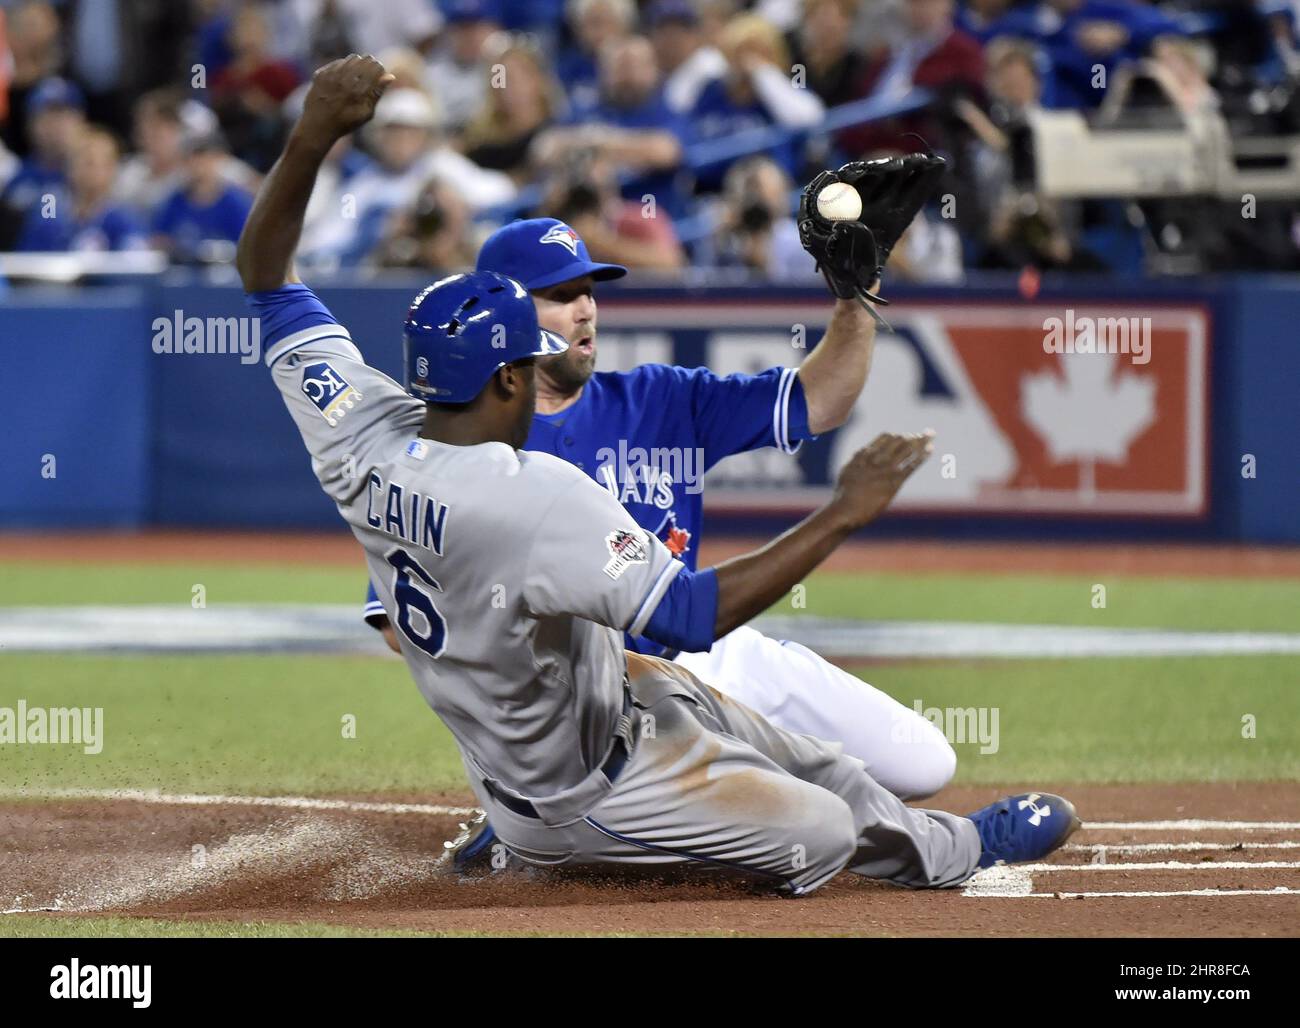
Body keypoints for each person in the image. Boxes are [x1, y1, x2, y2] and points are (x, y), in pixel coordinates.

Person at [237, 54, 1079, 893]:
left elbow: (268, 284)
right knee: (818, 834)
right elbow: (688, 612)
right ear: (504, 377)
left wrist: (310, 138)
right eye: (535, 347)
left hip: (616, 684)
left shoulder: (361, 434)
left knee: (841, 759)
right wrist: (842, 514)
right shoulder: (529, 496)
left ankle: (949, 847)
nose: (577, 323)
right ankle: (556, 843)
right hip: (579, 774)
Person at [15, 123, 148, 252]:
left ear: (112, 168)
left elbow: (136, 263)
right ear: (69, 166)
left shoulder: (124, 217)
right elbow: (31, 253)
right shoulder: (50, 206)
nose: (89, 171)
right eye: (81, 161)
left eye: (94, 163)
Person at [151, 130, 255, 264]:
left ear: (219, 159)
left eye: (205, 157)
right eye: (192, 158)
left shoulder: (237, 203)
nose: (198, 165)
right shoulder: (174, 201)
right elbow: (159, 240)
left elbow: (250, 247)